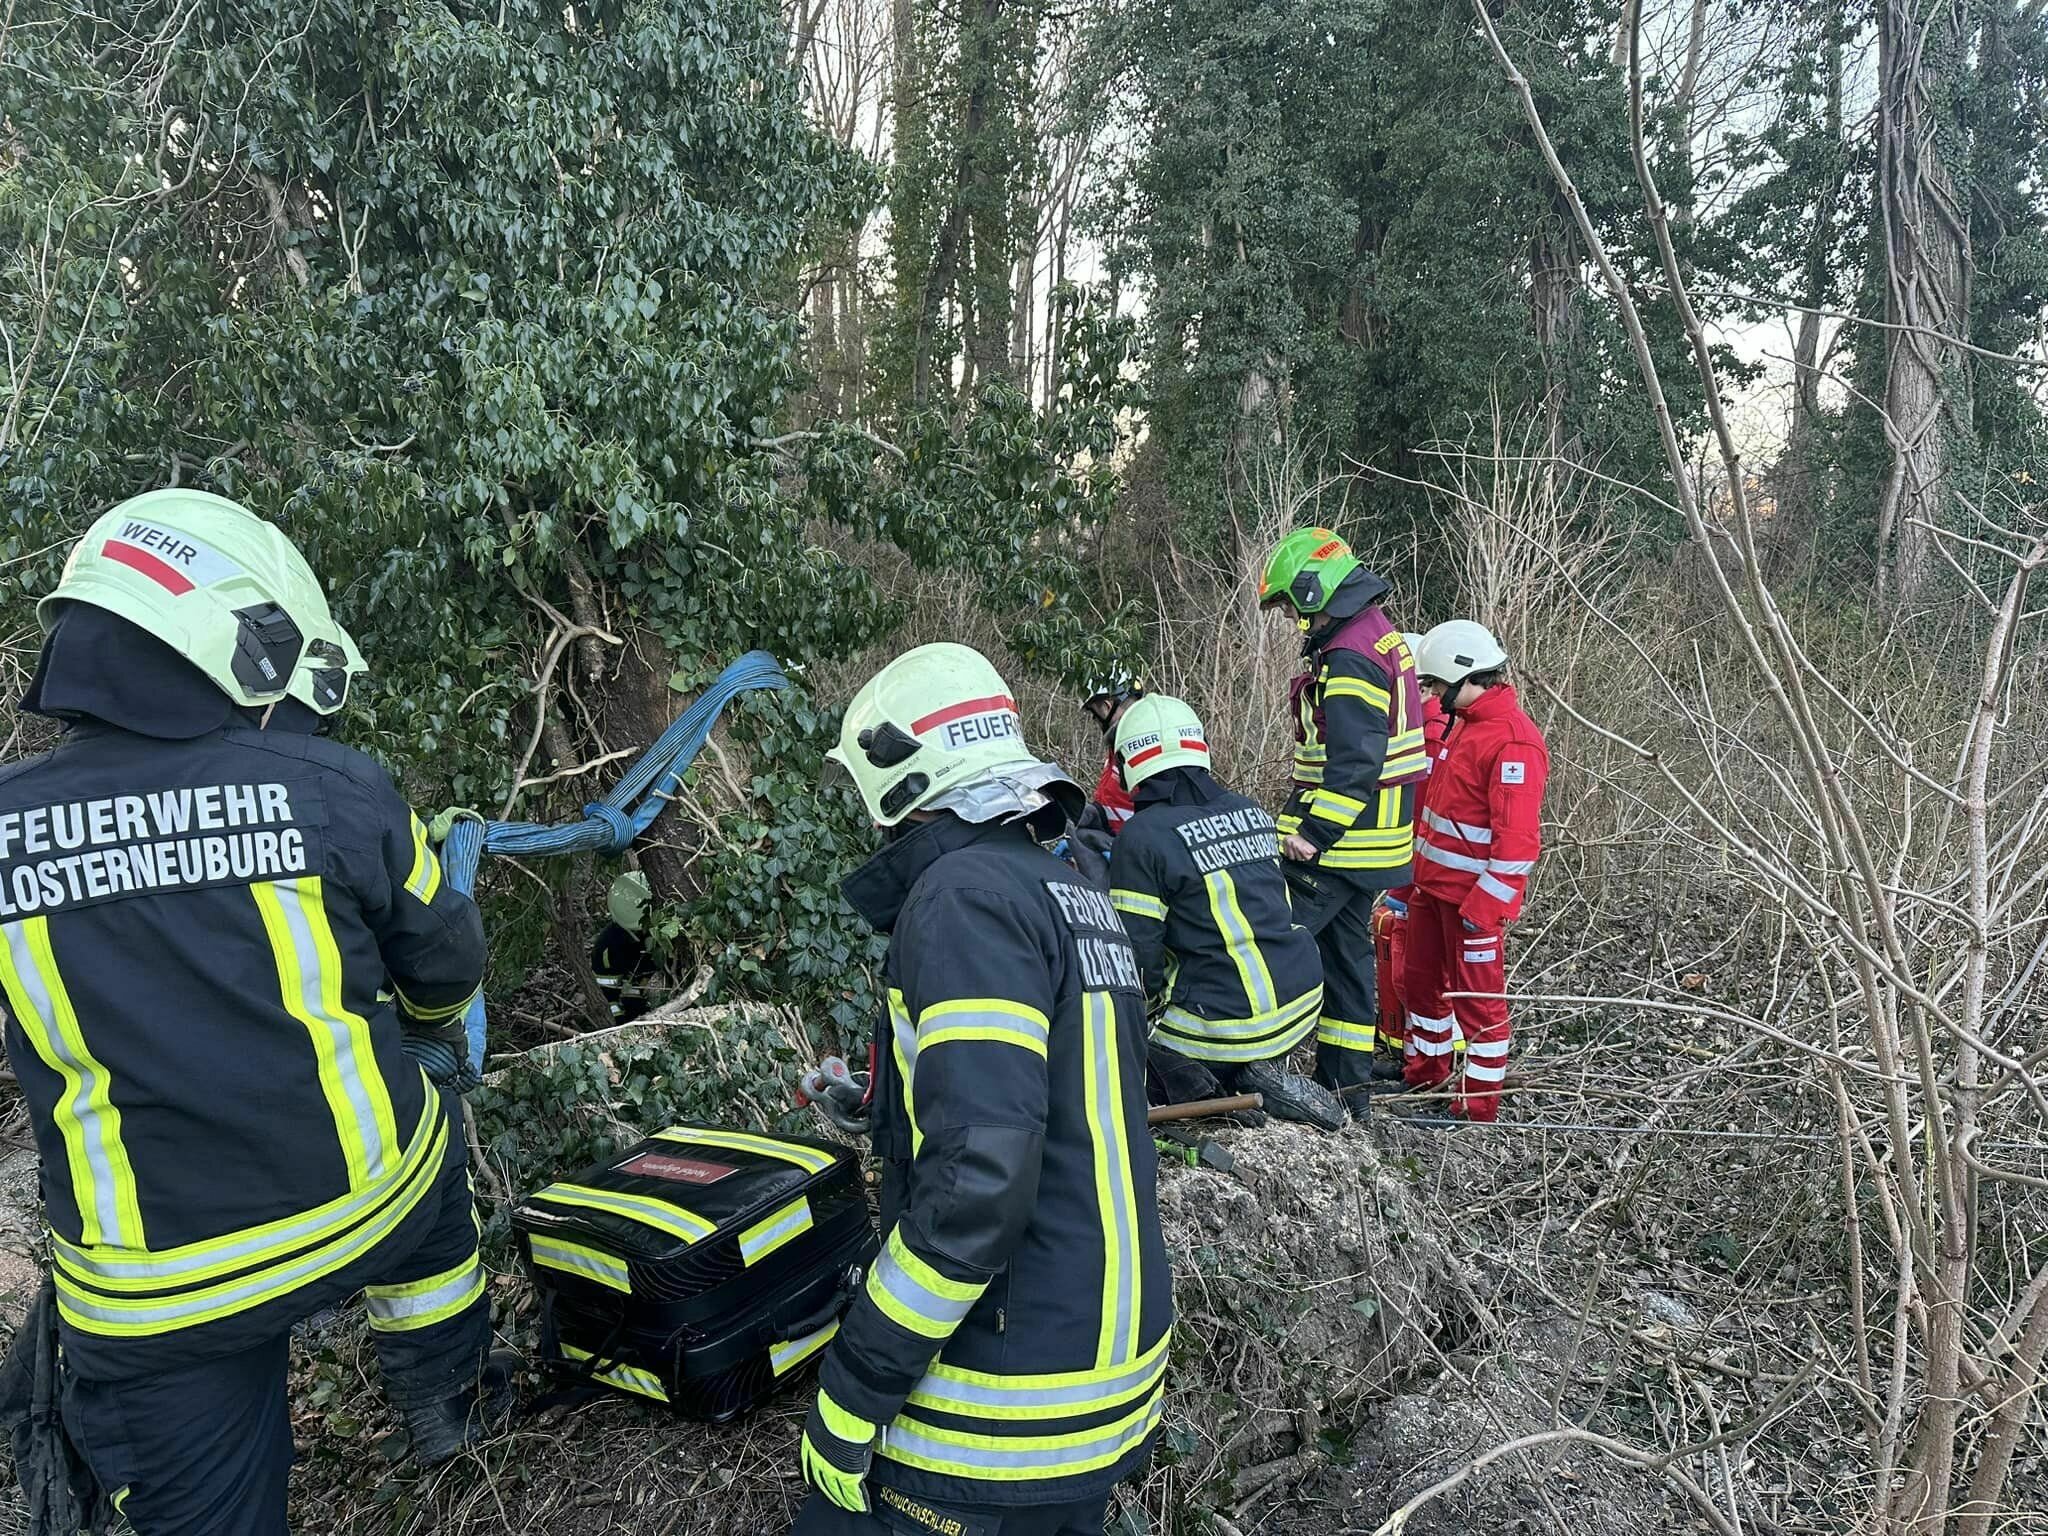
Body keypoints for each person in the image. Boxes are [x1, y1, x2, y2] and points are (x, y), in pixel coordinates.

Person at [0, 488, 501, 1534]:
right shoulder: (336, 787)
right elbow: (446, 966)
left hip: (159, 1298)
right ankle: (441, 1398)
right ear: (252, 650)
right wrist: (425, 1039)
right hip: (366, 1203)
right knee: (434, 1158)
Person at [798, 643, 1172, 1536]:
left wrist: (852, 1390)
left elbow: (977, 1185)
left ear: (901, 772)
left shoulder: (962, 894)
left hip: (999, 1404)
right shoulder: (1070, 880)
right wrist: (882, 1105)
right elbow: (1059, 1092)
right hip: (1103, 1363)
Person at [1103, 695, 1343, 1131]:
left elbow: (1138, 961)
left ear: (1129, 760)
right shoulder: (1249, 809)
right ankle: (1253, 1069)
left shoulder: (1142, 837)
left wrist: (1139, 1024)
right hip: (1300, 999)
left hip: (1228, 1023)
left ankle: (1219, 1092)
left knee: (1121, 1037)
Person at [1258, 529, 1429, 1115]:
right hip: (1376, 845)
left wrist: (1312, 833)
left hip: (1343, 844)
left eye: (1288, 603)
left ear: (1312, 589)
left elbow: (1355, 762)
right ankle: (1346, 1092)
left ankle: (1254, 1077)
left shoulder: (1351, 654)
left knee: (1270, 945)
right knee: (1347, 963)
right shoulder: (1376, 634)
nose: (1289, 617)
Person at [1403, 620, 1549, 1122]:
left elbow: (1518, 843)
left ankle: (1475, 1107)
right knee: (1421, 986)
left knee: (1479, 1007)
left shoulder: (1513, 742)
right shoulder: (1465, 723)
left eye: (1438, 685)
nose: (1433, 694)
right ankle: (1426, 1073)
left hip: (1470, 904)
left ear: (1467, 677)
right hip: (1431, 890)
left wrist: (1483, 908)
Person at [1372, 635, 1452, 1072]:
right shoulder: (1421, 731)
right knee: (1410, 973)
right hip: (1413, 878)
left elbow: (1421, 818)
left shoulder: (1432, 739)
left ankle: (1426, 1060)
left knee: (1420, 977)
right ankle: (1410, 1052)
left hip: (1421, 882)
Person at [1078, 674, 1147, 837]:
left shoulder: (1144, 748)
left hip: (1137, 846)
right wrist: (1096, 814)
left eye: (1095, 715)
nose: (1096, 722)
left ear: (1107, 706)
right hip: (1117, 839)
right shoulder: (1120, 742)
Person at [589, 869, 656, 1022]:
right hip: (632, 1011)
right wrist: (621, 1025)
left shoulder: (662, 930)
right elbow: (607, 997)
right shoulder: (607, 948)